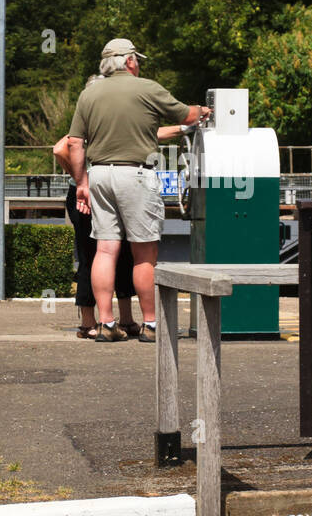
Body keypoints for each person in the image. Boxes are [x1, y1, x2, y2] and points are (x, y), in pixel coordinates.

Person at [66, 38, 210, 343]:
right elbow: (186, 116)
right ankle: (151, 325)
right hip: (137, 174)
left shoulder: (89, 94)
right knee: (144, 253)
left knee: (105, 250)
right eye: (137, 59)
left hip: (100, 174)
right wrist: (204, 110)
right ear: (129, 61)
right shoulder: (146, 87)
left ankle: (106, 324)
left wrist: (82, 184)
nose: (139, 64)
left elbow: (74, 143)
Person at [53, 126, 139, 338]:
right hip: (89, 193)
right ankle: (91, 321)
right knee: (93, 255)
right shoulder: (90, 127)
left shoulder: (105, 125)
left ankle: (108, 321)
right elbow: (59, 149)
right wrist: (82, 179)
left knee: (112, 254)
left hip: (102, 190)